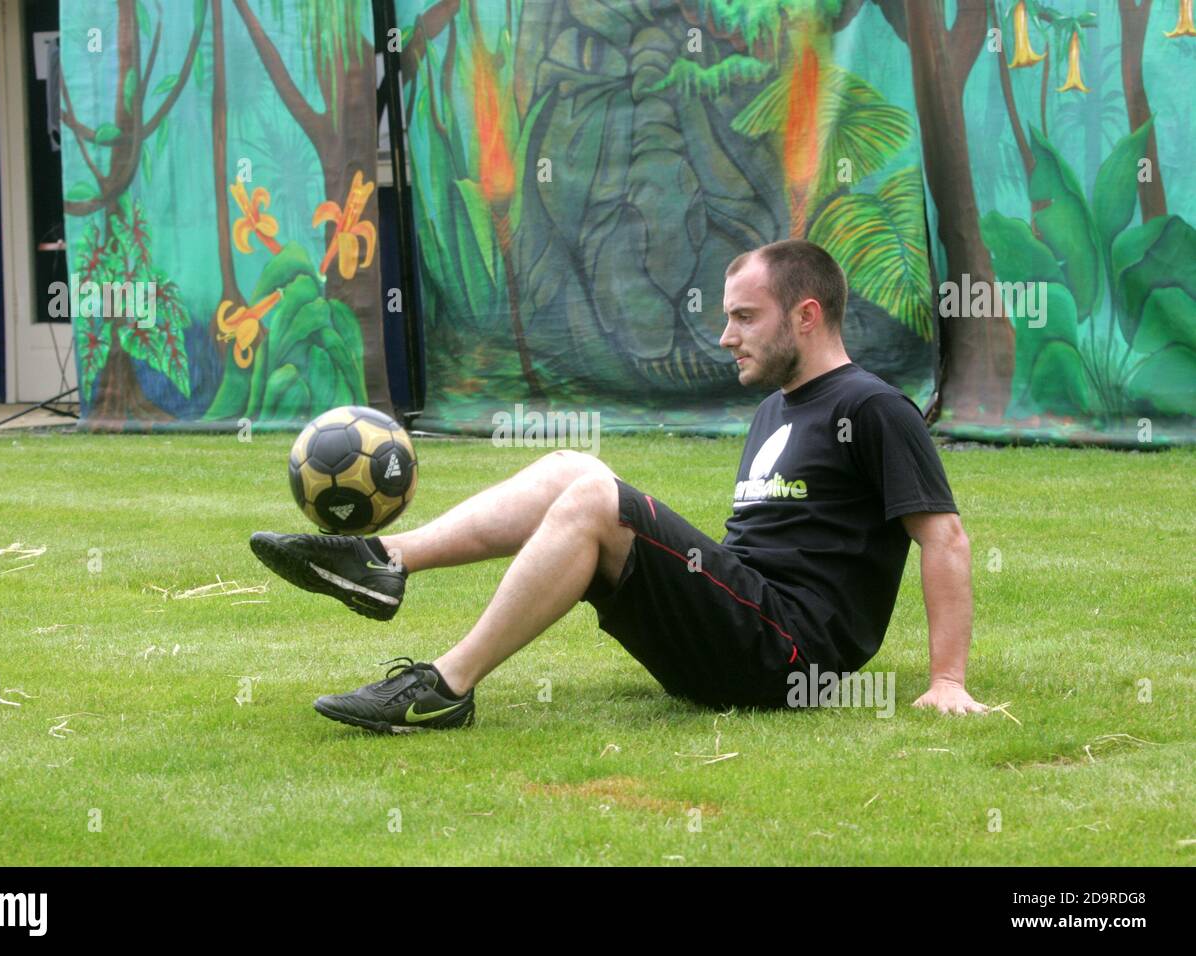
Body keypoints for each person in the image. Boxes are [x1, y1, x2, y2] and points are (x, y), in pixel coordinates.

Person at [250, 239, 986, 734]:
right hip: (740, 626)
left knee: (595, 497)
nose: (725, 335)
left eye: (743, 317)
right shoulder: (773, 410)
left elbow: (942, 536)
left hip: (795, 655)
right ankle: (385, 560)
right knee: (575, 469)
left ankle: (444, 688)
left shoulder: (874, 408)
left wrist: (947, 679)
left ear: (807, 314)